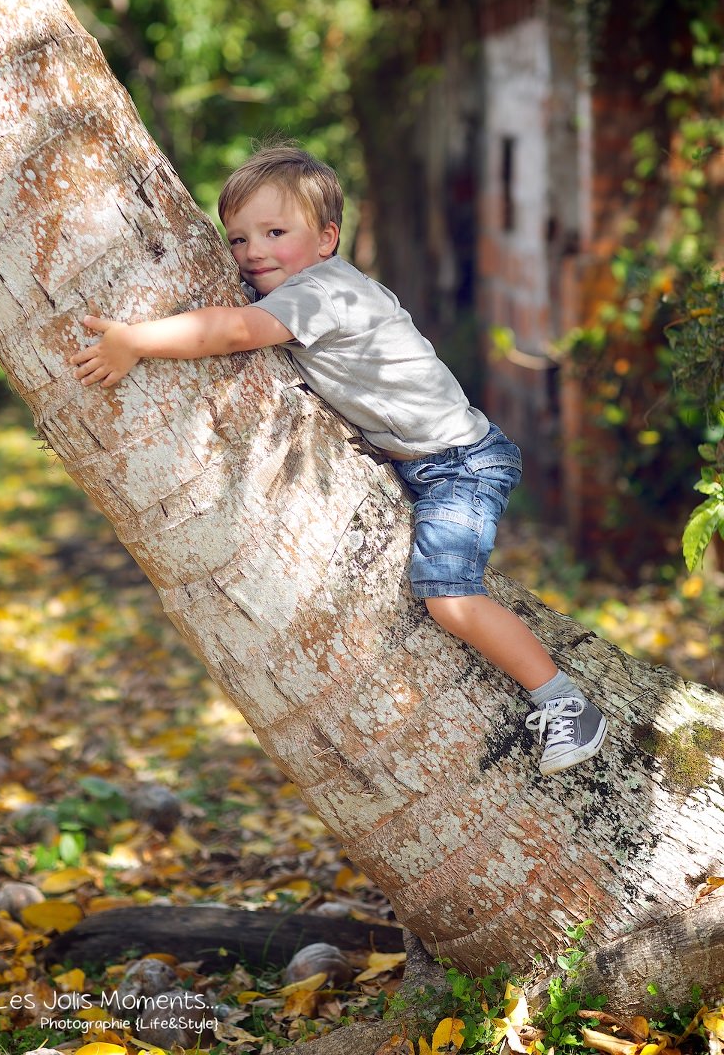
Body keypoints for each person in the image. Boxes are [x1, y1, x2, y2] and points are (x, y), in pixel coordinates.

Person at [70, 144, 607, 776]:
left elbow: (235, 331)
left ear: (327, 239)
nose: (253, 253)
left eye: (275, 233)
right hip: (419, 459)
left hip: (462, 464)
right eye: (238, 239)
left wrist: (137, 339)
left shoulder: (323, 293)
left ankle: (564, 701)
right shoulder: (298, 286)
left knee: (448, 596)